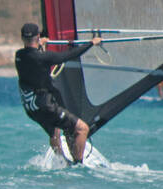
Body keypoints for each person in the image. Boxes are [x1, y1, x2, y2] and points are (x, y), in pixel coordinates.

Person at [15, 22, 102, 163]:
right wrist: (91, 43)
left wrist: (39, 45)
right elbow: (68, 55)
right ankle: (77, 165)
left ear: (22, 38)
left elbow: (33, 59)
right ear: (38, 36)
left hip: (31, 108)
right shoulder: (43, 57)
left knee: (55, 130)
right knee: (82, 128)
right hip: (46, 106)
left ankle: (61, 160)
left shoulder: (19, 56)